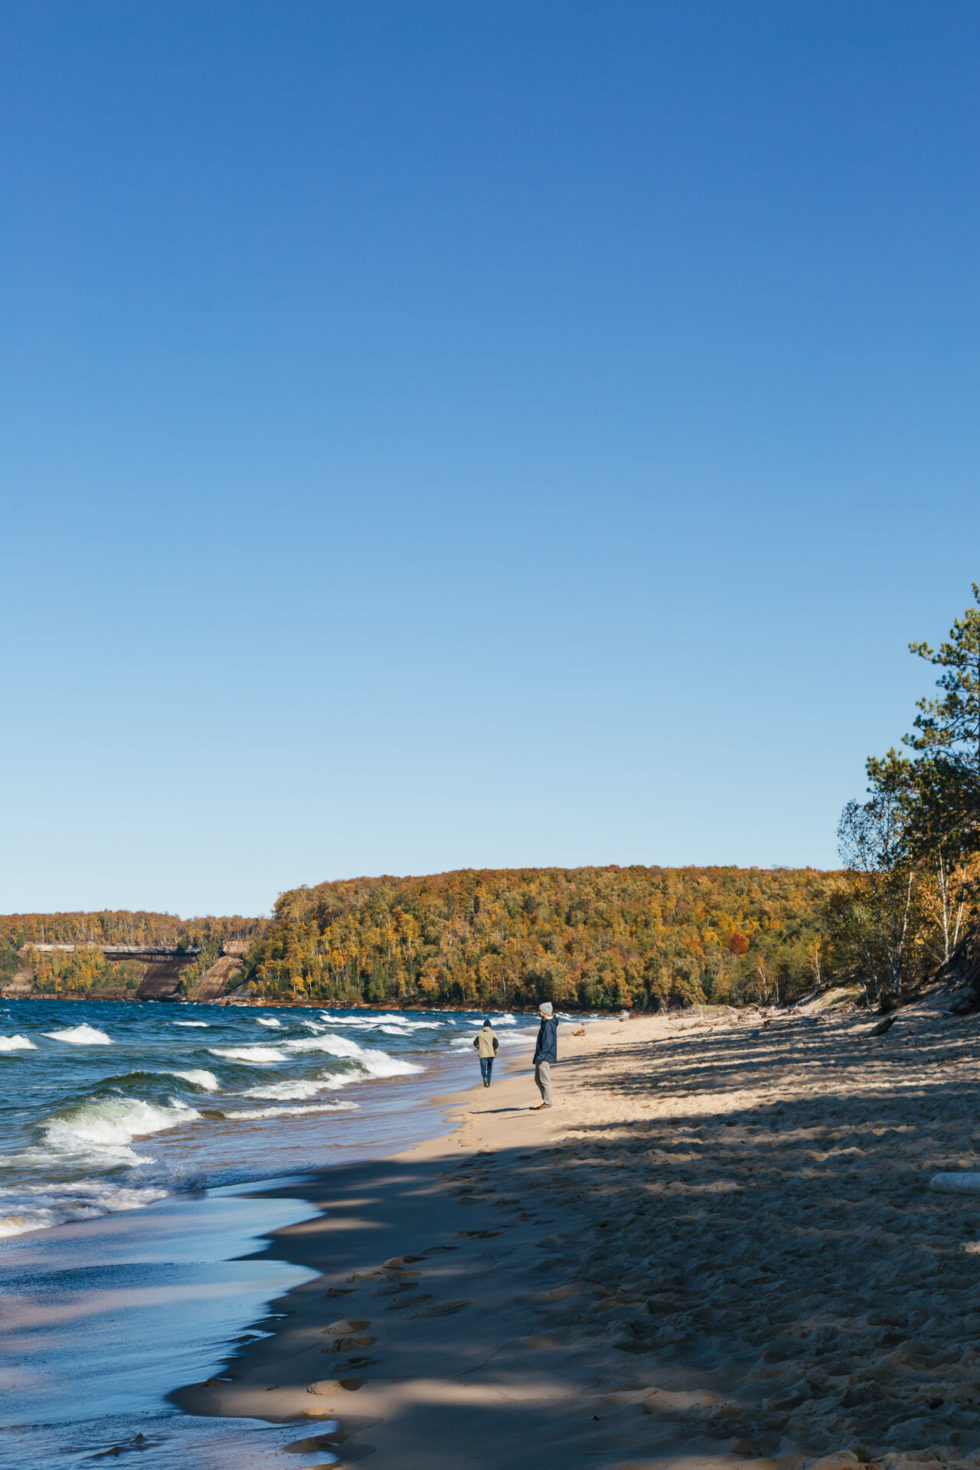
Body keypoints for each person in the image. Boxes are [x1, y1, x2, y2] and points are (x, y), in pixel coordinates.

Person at [532, 1001, 558, 1109]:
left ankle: (548, 1102)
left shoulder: (548, 1024)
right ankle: (546, 1100)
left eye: (540, 1010)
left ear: (544, 1012)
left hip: (544, 1056)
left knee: (544, 1080)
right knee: (538, 1080)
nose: (538, 1012)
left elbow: (547, 1043)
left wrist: (540, 1057)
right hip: (542, 1055)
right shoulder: (545, 1022)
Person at [473, 1018, 499, 1087]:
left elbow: (475, 1043)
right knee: (489, 1069)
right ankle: (488, 1084)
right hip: (491, 1054)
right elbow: (496, 1045)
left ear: (483, 1026)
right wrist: (495, 1053)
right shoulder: (493, 1033)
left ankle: (485, 1078)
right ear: (490, 1026)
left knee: (483, 1070)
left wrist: (479, 1047)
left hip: (483, 1054)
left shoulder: (480, 1033)